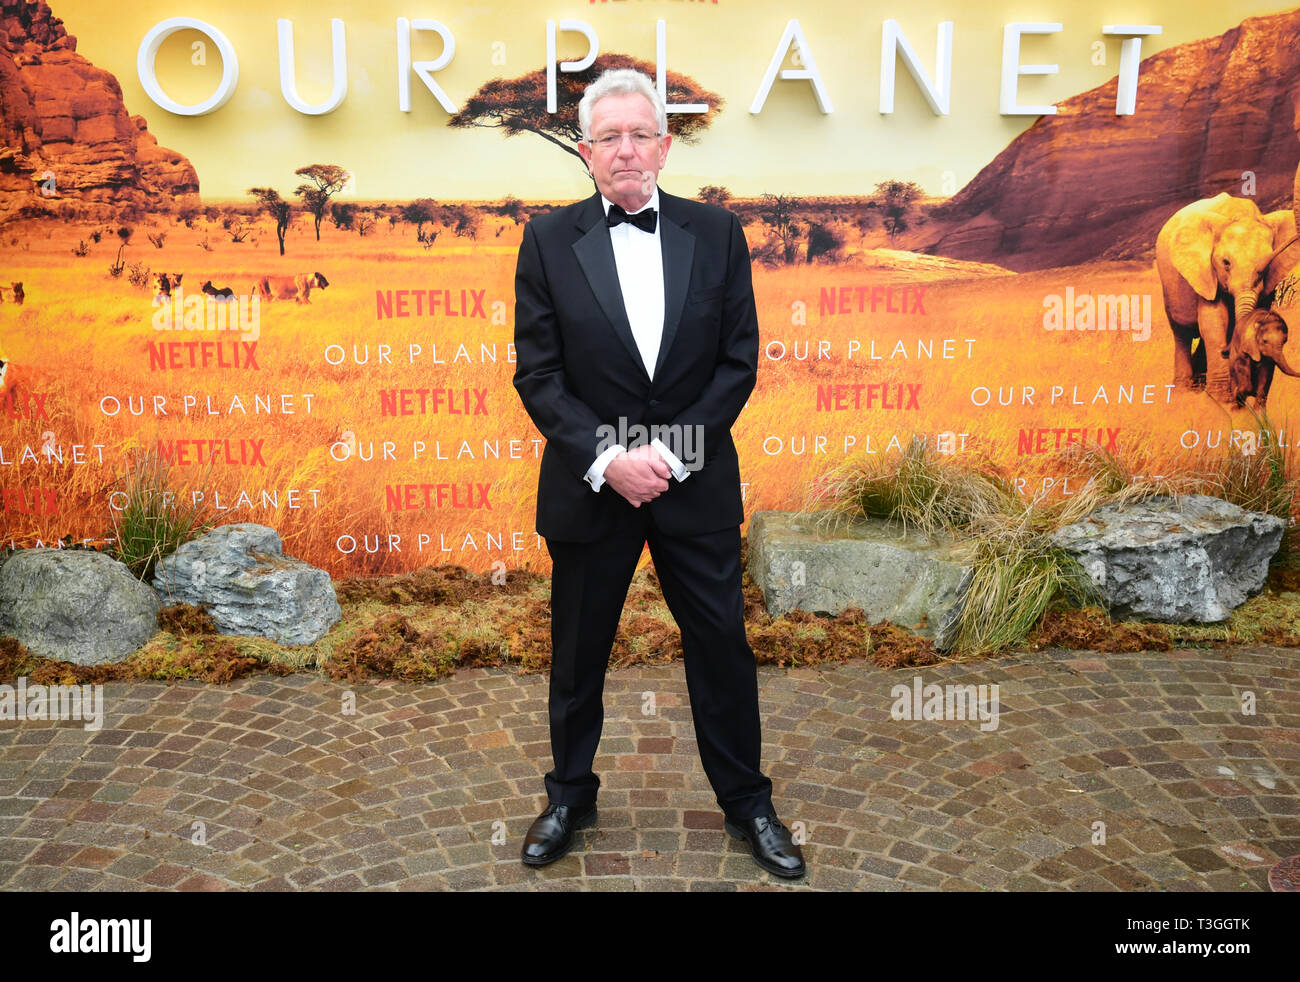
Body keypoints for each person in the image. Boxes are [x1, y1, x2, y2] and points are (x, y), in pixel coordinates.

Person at [511, 68, 805, 879]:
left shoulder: (717, 235)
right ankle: (569, 794)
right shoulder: (546, 241)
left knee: (721, 647)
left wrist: (668, 456)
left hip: (694, 484)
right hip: (589, 488)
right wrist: (610, 460)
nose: (627, 150)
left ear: (666, 147)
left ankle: (748, 803)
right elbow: (539, 377)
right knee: (577, 654)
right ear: (585, 152)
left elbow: (735, 367)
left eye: (641, 134)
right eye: (609, 137)